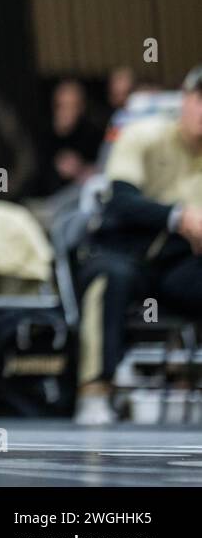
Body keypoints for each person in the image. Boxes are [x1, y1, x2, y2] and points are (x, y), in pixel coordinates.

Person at [73, 65, 202, 426]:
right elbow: (119, 199)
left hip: (179, 263)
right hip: (124, 250)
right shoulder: (142, 134)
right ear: (186, 100)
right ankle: (95, 392)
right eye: (200, 100)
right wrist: (177, 216)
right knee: (107, 278)